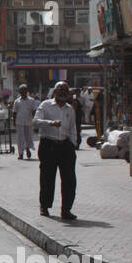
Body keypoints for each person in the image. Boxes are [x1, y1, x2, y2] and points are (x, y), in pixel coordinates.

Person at [33, 80, 79, 220]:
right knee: (47, 177)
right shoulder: (45, 105)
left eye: (65, 90)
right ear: (54, 91)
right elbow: (35, 122)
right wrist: (51, 123)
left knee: (69, 179)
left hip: (65, 146)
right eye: (60, 89)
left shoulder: (70, 109)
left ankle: (66, 209)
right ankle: (44, 206)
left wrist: (73, 144)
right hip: (48, 145)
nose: (62, 92)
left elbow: (73, 128)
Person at [12, 85, 39, 160]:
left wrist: (35, 120)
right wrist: (14, 121)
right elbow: (14, 112)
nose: (22, 92)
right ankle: (20, 153)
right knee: (20, 138)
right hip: (19, 122)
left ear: (26, 91)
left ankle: (27, 149)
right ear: (19, 92)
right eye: (21, 90)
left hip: (29, 122)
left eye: (24, 90)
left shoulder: (31, 100)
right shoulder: (17, 101)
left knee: (28, 137)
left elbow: (34, 111)